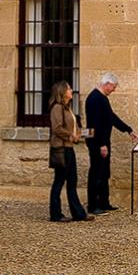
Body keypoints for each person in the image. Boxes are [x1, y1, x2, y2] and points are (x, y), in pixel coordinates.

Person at [84, 73, 136, 212]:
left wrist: (128, 129)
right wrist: (101, 144)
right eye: (113, 86)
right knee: (96, 172)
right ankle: (93, 205)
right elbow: (95, 125)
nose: (114, 89)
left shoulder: (103, 99)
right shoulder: (95, 99)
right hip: (97, 142)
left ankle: (103, 202)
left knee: (104, 173)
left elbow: (111, 118)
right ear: (106, 84)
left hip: (103, 141)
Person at [47, 80, 90, 222]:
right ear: (62, 91)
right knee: (59, 181)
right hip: (61, 149)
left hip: (69, 148)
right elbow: (57, 128)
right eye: (69, 89)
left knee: (72, 181)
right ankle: (55, 214)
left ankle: (78, 214)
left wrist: (78, 133)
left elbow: (72, 126)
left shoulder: (67, 108)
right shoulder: (57, 108)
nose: (71, 91)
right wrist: (70, 135)